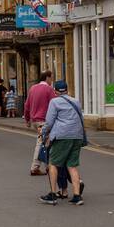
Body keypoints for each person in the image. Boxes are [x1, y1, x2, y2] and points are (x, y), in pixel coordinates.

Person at [39, 79, 86, 207]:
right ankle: (77, 196)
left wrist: (44, 133)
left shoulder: (54, 102)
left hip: (62, 136)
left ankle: (53, 194)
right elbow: (81, 118)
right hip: (77, 136)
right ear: (67, 90)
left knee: (53, 163)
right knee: (72, 165)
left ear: (55, 91)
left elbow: (49, 122)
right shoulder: (75, 101)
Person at [24, 71, 57, 176]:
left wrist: (27, 119)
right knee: (41, 143)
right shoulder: (49, 89)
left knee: (47, 142)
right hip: (44, 121)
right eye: (51, 78)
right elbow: (55, 105)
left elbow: (27, 105)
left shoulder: (33, 88)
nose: (52, 81)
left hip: (35, 120)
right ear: (47, 78)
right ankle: (35, 167)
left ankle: (48, 166)